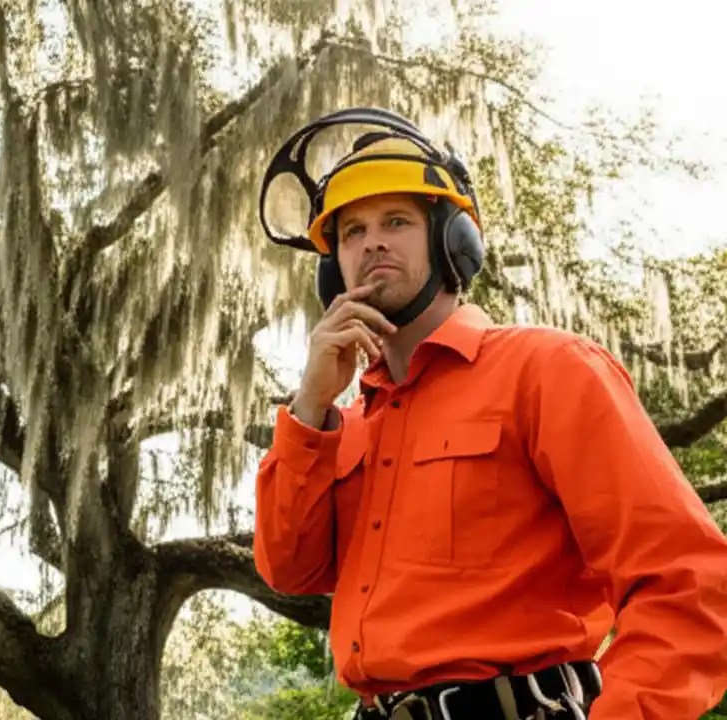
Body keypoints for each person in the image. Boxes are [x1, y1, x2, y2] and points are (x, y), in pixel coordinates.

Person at [252, 108, 727, 719]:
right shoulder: (344, 423)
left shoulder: (548, 370)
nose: (372, 242)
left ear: (455, 242)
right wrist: (310, 407)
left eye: (396, 221)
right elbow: (290, 567)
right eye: (352, 232)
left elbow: (690, 584)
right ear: (331, 271)